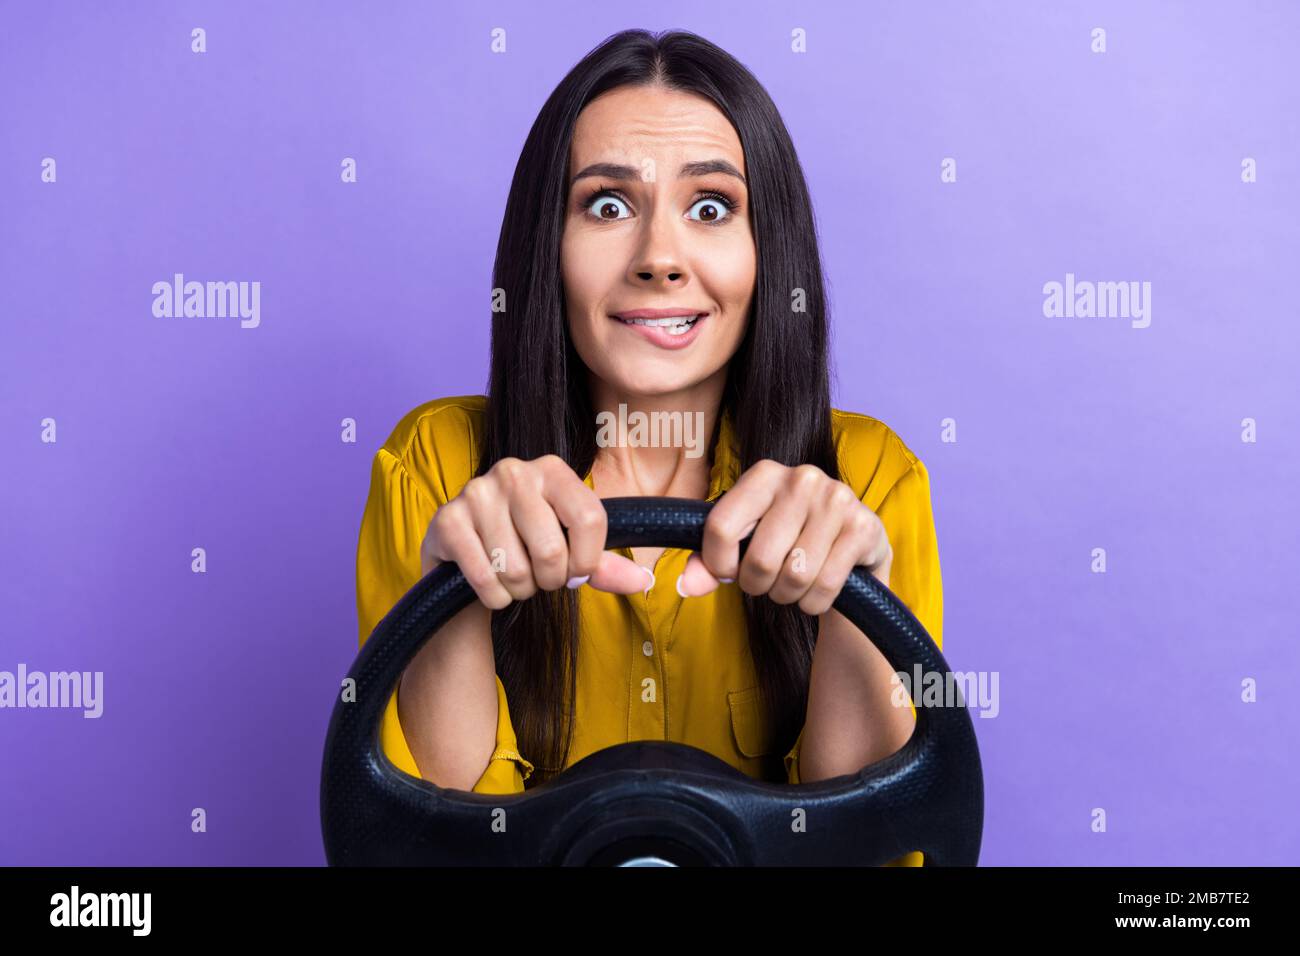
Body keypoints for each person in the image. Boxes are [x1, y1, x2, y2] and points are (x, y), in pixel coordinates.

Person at [355, 29, 943, 866]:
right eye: (607, 205)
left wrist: (859, 601)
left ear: (766, 252)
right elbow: (430, 848)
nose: (660, 259)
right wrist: (461, 592)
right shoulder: (438, 466)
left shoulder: (871, 481)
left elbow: (863, 849)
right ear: (545, 252)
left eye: (711, 208)